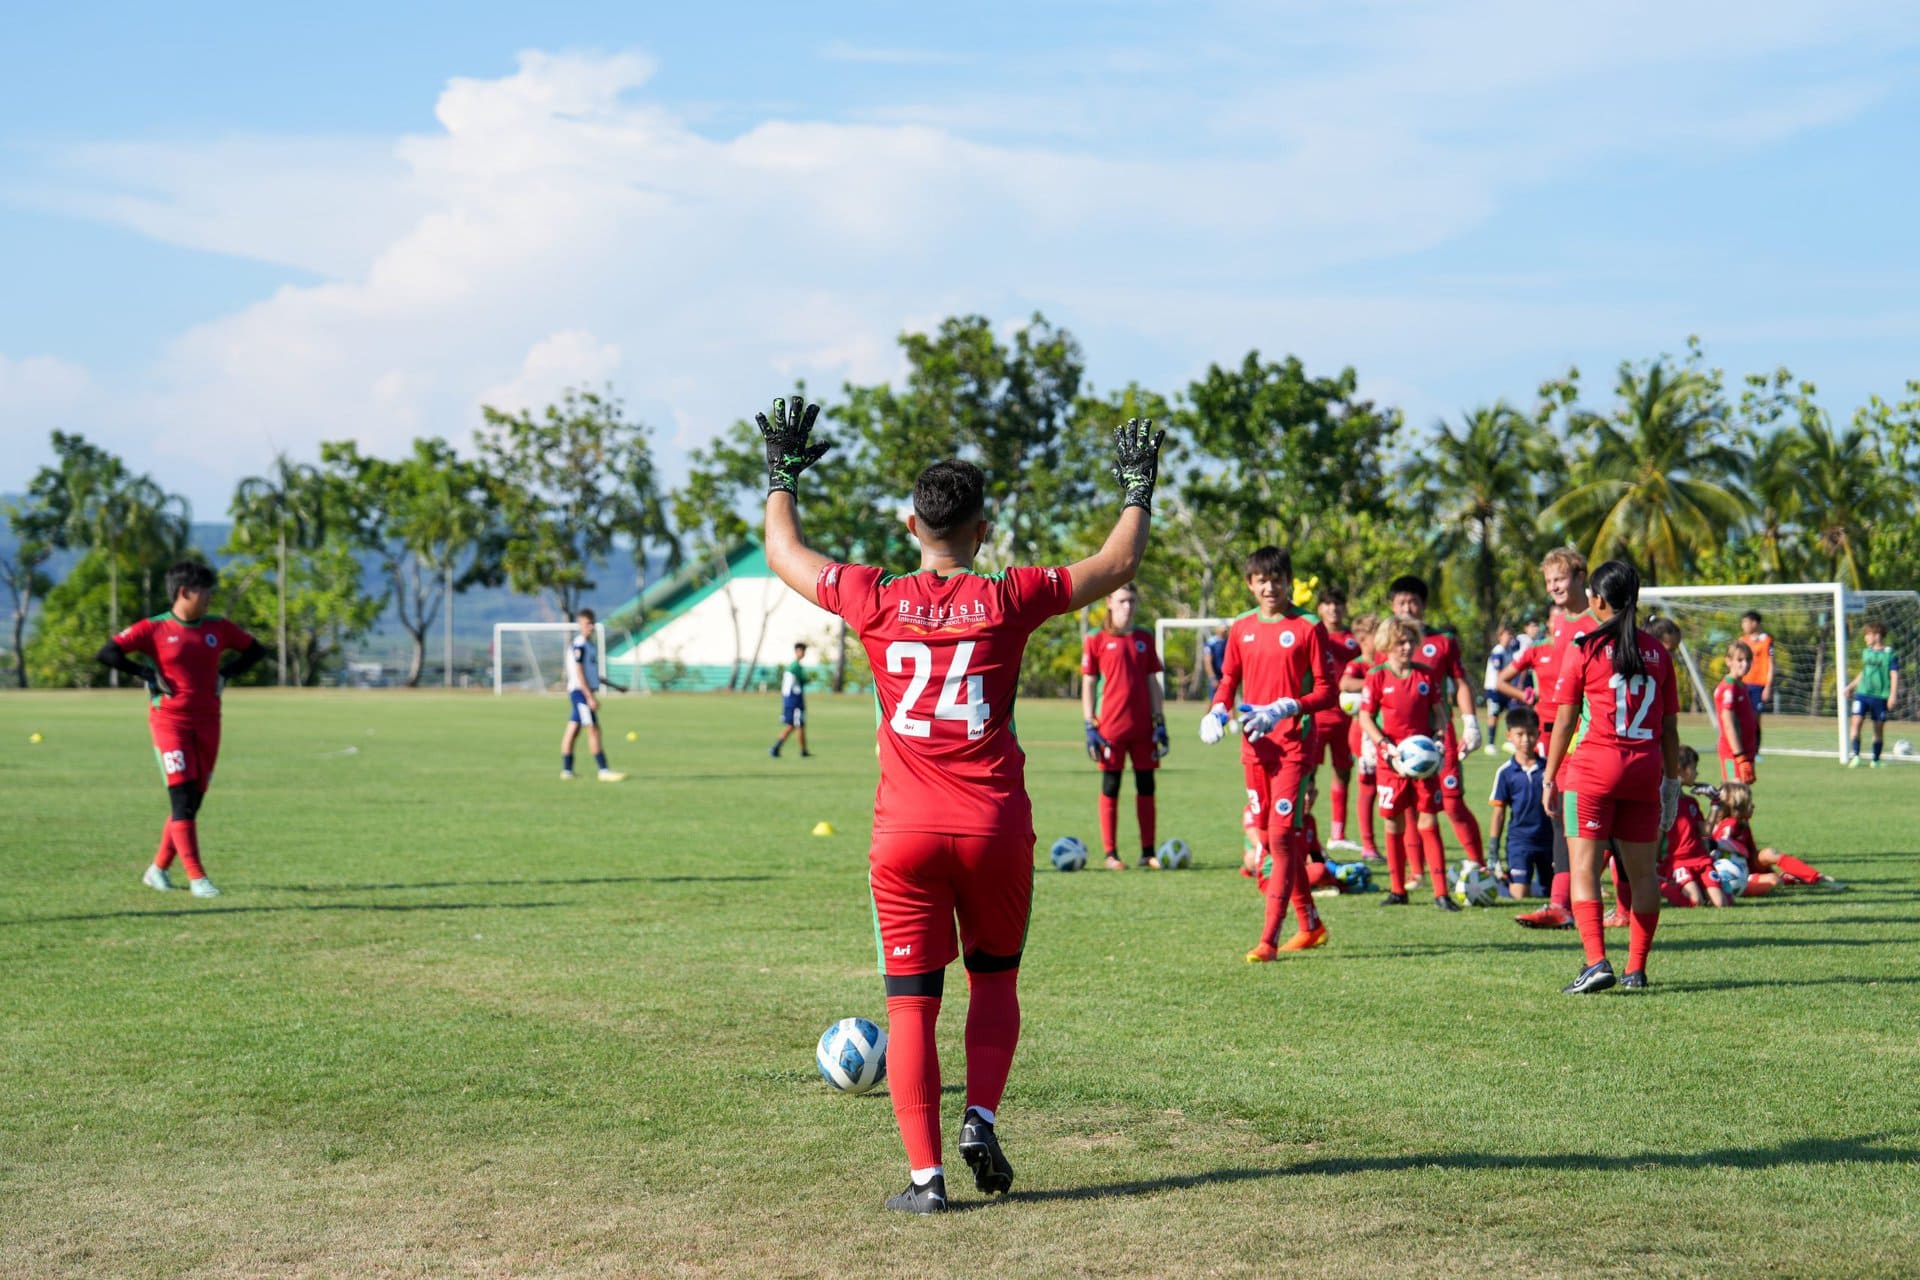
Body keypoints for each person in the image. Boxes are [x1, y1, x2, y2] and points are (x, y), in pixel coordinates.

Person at [758, 397, 1162, 1213]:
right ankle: (980, 1115)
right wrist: (1137, 486)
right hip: (993, 828)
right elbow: (1115, 564)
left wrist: (782, 475)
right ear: (983, 529)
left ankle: (926, 1180)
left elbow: (783, 551)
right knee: (994, 982)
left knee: (910, 1004)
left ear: (913, 526)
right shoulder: (1011, 595)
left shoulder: (870, 595)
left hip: (902, 835)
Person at [1542, 560, 1682, 994]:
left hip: (1592, 771)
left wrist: (1549, 776)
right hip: (1644, 773)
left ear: (1597, 599)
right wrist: (1672, 784)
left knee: (1585, 868)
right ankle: (1636, 969)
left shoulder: (1583, 646)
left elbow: (1565, 722)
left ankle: (1595, 961)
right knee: (1642, 876)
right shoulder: (1658, 652)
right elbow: (1670, 730)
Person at [1200, 546, 1342, 960]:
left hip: (1294, 748)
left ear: (1288, 581)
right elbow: (1228, 678)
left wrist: (1287, 706)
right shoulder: (1241, 628)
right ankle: (1311, 924)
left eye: (1276, 579)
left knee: (1280, 838)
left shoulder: (1308, 627)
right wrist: (1218, 709)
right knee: (1269, 837)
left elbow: (1327, 691)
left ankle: (1268, 941)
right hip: (1254, 748)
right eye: (1261, 580)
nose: (1269, 587)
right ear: (1250, 584)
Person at [95, 561, 268, 898]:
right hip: (169, 723)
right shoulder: (154, 628)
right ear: (184, 592)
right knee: (182, 798)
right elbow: (108, 652)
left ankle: (157, 870)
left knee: (192, 801)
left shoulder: (218, 627)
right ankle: (197, 878)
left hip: (208, 723)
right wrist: (144, 674)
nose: (210, 597)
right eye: (205, 591)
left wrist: (226, 673)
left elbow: (256, 651)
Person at [1496, 549, 1597, 929]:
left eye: (1560, 578)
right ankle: (1561, 903)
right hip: (1557, 735)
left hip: (1589, 735)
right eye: (1549, 581)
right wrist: (1530, 697)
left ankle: (1618, 903)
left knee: (1594, 821)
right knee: (1561, 816)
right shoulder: (1560, 624)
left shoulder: (1596, 617)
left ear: (1579, 575)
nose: (1553, 586)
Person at [1386, 575, 1486, 869]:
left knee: (1453, 803)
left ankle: (1480, 867)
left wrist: (1471, 723)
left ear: (1424, 605)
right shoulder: (1386, 644)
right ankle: (1416, 873)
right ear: (1392, 605)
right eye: (1401, 601)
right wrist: (1372, 738)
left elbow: (1461, 682)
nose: (1407, 608)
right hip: (1401, 738)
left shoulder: (1442, 641)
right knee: (1409, 809)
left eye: (1413, 601)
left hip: (1440, 737)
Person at [1358, 616, 1456, 910]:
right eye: (1400, 642)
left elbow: (1439, 712)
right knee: (1393, 820)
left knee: (1428, 819)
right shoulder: (1376, 676)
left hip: (1424, 760)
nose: (1406, 647)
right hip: (1392, 762)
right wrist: (1383, 745)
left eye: (1410, 641)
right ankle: (1398, 889)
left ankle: (1441, 892)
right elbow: (1365, 716)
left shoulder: (1425, 676)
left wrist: (1438, 736)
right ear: (1387, 644)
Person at [1080, 584, 1167, 869]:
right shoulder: (1096, 638)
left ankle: (1148, 852)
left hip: (1143, 729)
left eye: (1131, 601)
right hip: (1110, 729)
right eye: (1121, 601)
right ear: (1109, 602)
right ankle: (1111, 854)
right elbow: (1089, 683)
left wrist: (1160, 720)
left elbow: (1153, 681)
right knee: (1111, 786)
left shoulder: (1144, 637)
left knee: (1146, 787)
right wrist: (1088, 723)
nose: (1127, 607)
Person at [1709, 782, 1845, 892]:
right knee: (1775, 881)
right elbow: (1722, 843)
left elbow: (1749, 853)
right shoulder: (1730, 824)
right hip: (1736, 873)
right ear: (1737, 806)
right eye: (1749, 802)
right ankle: (1790, 879)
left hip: (1747, 865)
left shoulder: (1741, 823)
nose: (1753, 805)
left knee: (1769, 854)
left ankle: (1814, 877)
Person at [1313, 585, 1362, 851]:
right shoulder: (1311, 633)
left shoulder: (1353, 640)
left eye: (1338, 603)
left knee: (1343, 773)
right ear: (1320, 608)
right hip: (1317, 716)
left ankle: (1338, 834)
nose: (1333, 609)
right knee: (1307, 774)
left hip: (1346, 719)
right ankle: (1303, 829)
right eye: (1327, 604)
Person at [1488, 705, 1552, 900]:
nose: (1526, 739)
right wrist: (1493, 850)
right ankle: (1502, 883)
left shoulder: (1549, 767)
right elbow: (1499, 814)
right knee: (1520, 895)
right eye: (1520, 734)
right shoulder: (1506, 772)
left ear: (1538, 734)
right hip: (1519, 841)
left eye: (1531, 734)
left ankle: (1519, 880)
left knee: (1551, 893)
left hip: (1548, 840)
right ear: (1509, 735)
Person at [1658, 748, 1734, 908]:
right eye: (1693, 768)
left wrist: (1715, 803)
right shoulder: (1665, 802)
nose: (1696, 773)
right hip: (1679, 862)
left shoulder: (1691, 802)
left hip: (1701, 859)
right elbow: (1658, 835)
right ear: (1679, 769)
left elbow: (1706, 831)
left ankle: (1706, 886)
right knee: (1695, 901)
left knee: (1721, 903)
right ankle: (1662, 885)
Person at [561, 608, 626, 781]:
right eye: (587, 623)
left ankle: (567, 771)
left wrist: (615, 686)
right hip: (580, 693)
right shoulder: (580, 645)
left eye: (592, 623)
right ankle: (603, 771)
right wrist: (589, 696)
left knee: (573, 730)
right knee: (594, 730)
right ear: (580, 625)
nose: (590, 627)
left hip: (583, 692)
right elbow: (579, 672)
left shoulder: (590, 646)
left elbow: (592, 675)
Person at [1338, 613, 1381, 862]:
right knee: (1368, 787)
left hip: (1385, 732)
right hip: (1361, 734)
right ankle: (1368, 844)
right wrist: (1373, 682)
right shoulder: (1358, 665)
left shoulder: (1387, 663)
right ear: (1364, 639)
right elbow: (1345, 683)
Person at [1845, 621, 1902, 767]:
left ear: (1876, 636)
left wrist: (1892, 695)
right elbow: (1864, 672)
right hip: (1862, 694)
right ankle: (1856, 756)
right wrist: (1851, 686)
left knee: (1878, 729)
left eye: (1867, 635)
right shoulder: (1867, 652)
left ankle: (1875, 760)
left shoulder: (1890, 654)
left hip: (1880, 696)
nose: (1865, 638)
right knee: (1856, 722)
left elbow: (1894, 675)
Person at [1715, 641, 1760, 784]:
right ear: (1728, 661)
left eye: (1748, 660)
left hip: (1747, 751)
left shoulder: (1742, 686)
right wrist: (1740, 756)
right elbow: (1728, 725)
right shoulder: (1729, 688)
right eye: (1739, 660)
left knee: (1743, 797)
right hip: (1733, 754)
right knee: (1733, 795)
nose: (1745, 664)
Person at [770, 642, 813, 758]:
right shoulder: (795, 667)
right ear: (796, 652)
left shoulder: (793, 666)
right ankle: (776, 748)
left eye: (804, 651)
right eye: (801, 651)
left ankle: (800, 750)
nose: (802, 653)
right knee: (796, 724)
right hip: (794, 700)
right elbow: (805, 679)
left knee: (796, 725)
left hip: (791, 699)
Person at [1482, 623, 1518, 751]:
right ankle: (1490, 744)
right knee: (1494, 714)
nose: (1509, 637)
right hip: (1494, 689)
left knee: (1513, 712)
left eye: (1511, 635)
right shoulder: (1498, 651)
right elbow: (1499, 672)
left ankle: (1510, 740)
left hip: (1505, 688)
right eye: (1507, 635)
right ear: (1500, 636)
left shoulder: (1509, 651)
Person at [1739, 610, 1774, 718]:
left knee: (1755, 719)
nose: (1743, 625)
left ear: (1754, 623)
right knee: (1741, 717)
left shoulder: (1767, 641)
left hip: (1758, 686)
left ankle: (1755, 736)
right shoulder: (1742, 641)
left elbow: (1771, 665)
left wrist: (1768, 687)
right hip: (1742, 684)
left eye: (1745, 622)